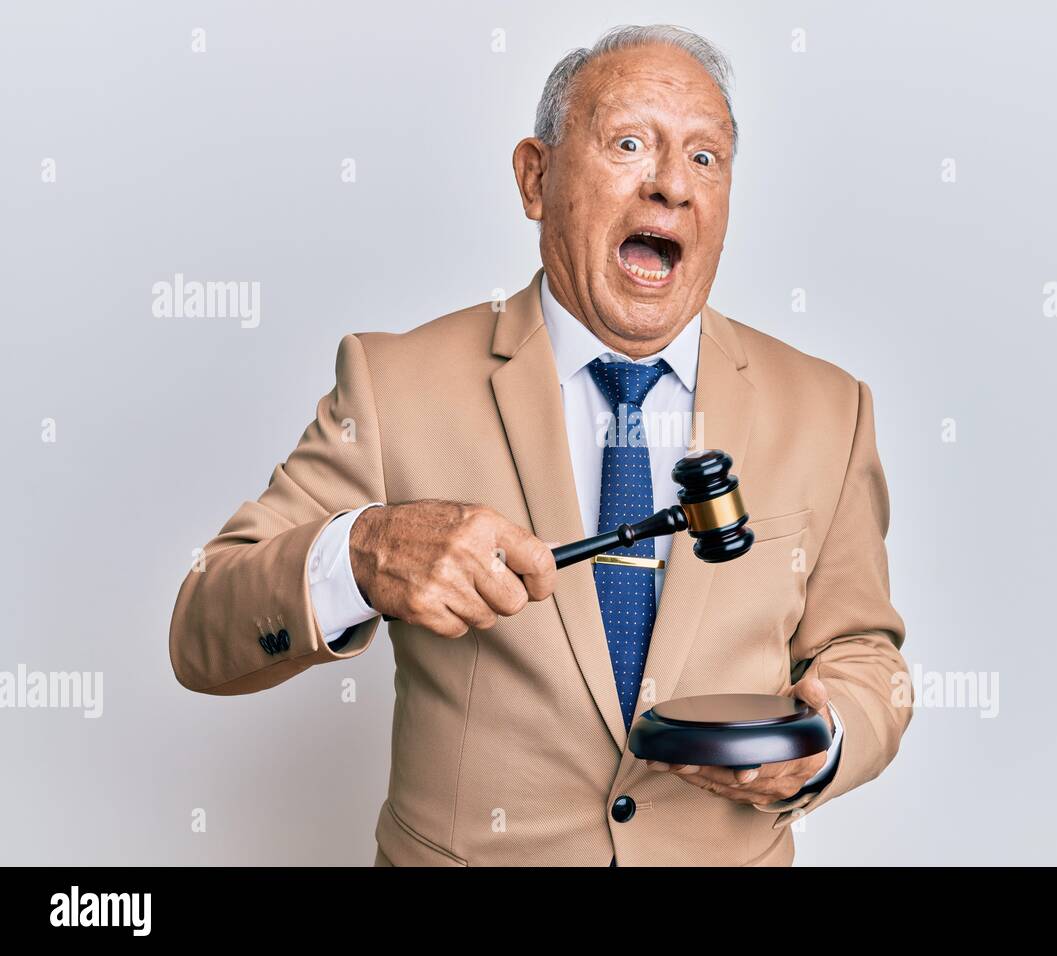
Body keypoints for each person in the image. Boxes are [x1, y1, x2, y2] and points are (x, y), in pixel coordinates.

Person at [169, 24, 912, 867]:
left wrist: (830, 739)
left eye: (706, 158)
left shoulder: (828, 407)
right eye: (630, 143)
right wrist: (363, 553)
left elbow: (864, 653)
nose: (671, 185)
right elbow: (202, 627)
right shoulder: (392, 384)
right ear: (536, 177)